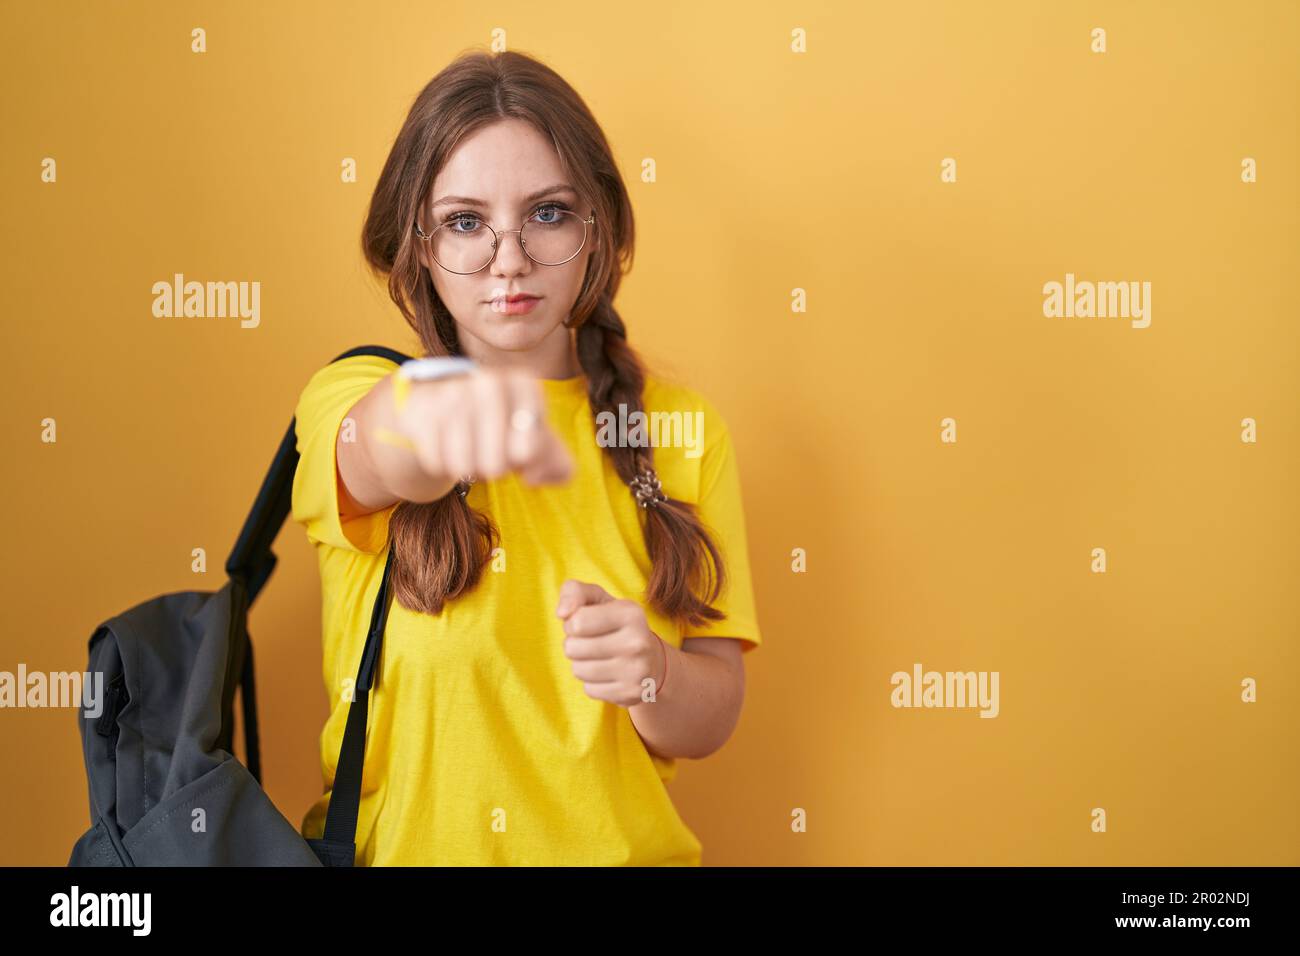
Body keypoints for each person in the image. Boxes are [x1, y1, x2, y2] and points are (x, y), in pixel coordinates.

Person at [291, 49, 762, 865]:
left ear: (597, 228)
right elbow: (384, 449)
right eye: (467, 222)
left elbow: (715, 709)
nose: (509, 260)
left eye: (547, 213)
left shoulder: (683, 430)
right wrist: (448, 419)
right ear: (417, 245)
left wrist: (653, 672)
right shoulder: (354, 394)